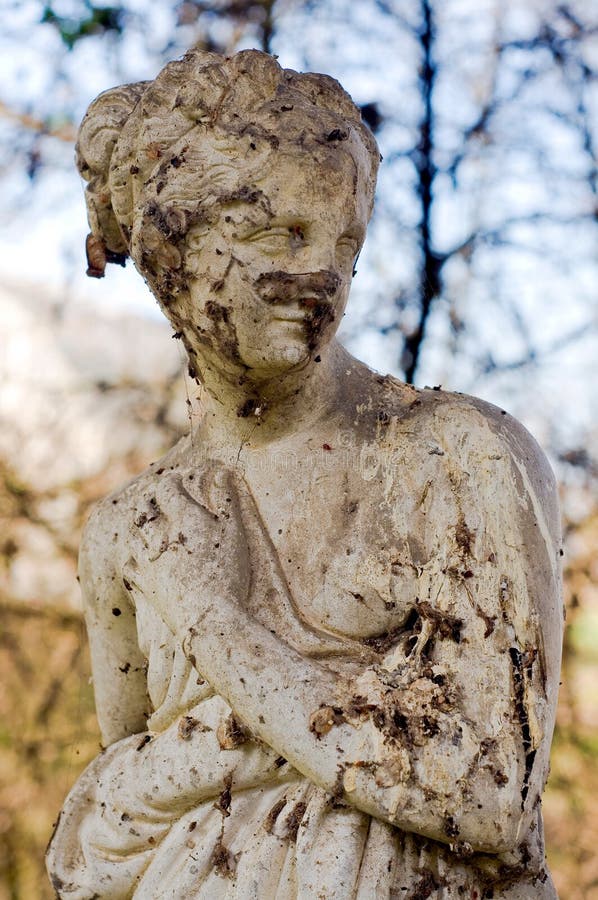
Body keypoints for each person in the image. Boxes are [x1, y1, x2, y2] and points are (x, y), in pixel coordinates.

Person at [47, 49, 562, 898]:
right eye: (276, 233)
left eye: (343, 239)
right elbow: (121, 815)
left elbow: (483, 788)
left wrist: (217, 624)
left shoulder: (450, 456)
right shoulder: (134, 526)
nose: (321, 271)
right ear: (168, 251)